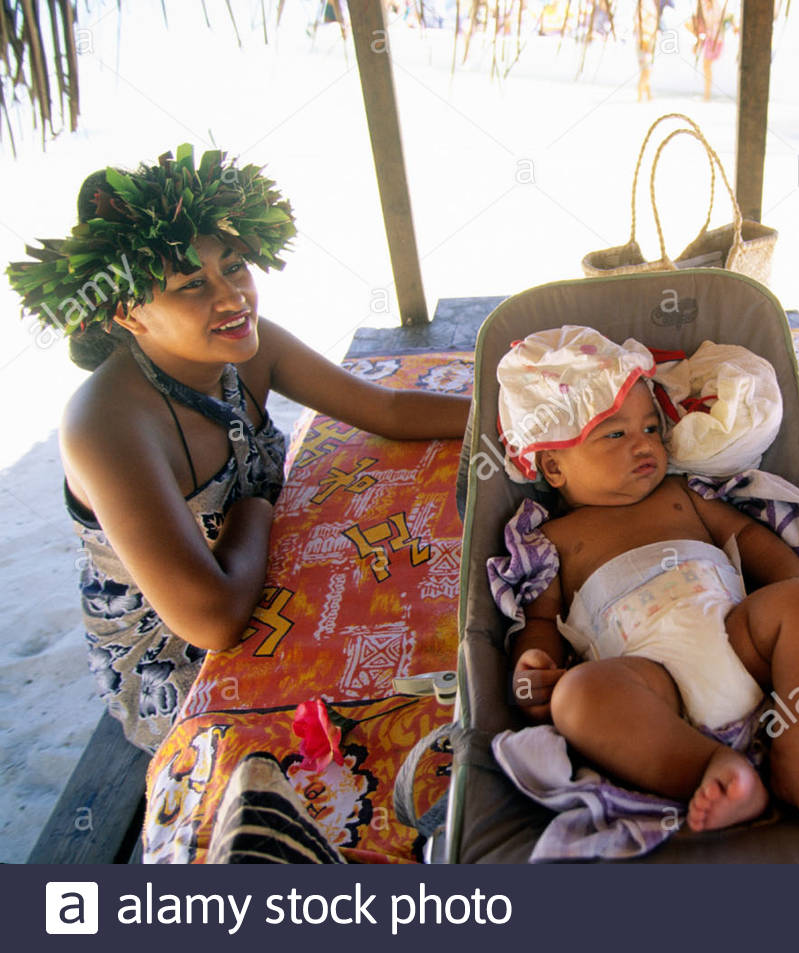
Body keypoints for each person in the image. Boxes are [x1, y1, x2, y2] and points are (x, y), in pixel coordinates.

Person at [6, 146, 469, 752]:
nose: (231, 298)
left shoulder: (249, 349)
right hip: (174, 655)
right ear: (128, 313)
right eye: (192, 285)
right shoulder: (107, 428)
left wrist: (513, 414)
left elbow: (384, 409)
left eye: (234, 268)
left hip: (256, 571)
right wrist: (257, 509)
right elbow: (211, 621)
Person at [492, 327, 799, 852]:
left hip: (743, 643)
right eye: (614, 434)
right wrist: (533, 670)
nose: (644, 444)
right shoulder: (552, 540)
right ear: (552, 465)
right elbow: (540, 622)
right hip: (652, 686)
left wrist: (797, 581)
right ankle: (713, 769)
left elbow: (750, 536)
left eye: (652, 428)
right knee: (578, 696)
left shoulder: (683, 494)